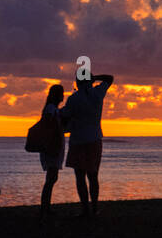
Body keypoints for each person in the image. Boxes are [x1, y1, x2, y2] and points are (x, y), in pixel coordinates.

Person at [60, 71, 114, 216]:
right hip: (94, 139)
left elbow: (64, 115)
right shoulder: (98, 93)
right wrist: (94, 79)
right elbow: (110, 78)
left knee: (80, 177)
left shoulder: (74, 98)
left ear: (78, 82)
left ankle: (85, 209)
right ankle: (95, 208)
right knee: (93, 176)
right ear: (90, 81)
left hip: (78, 139)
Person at [38, 84, 66, 220]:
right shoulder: (50, 109)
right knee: (51, 178)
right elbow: (48, 125)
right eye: (61, 93)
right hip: (51, 147)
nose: (63, 96)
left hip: (53, 146)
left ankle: (46, 207)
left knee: (52, 178)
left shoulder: (53, 109)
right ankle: (45, 208)